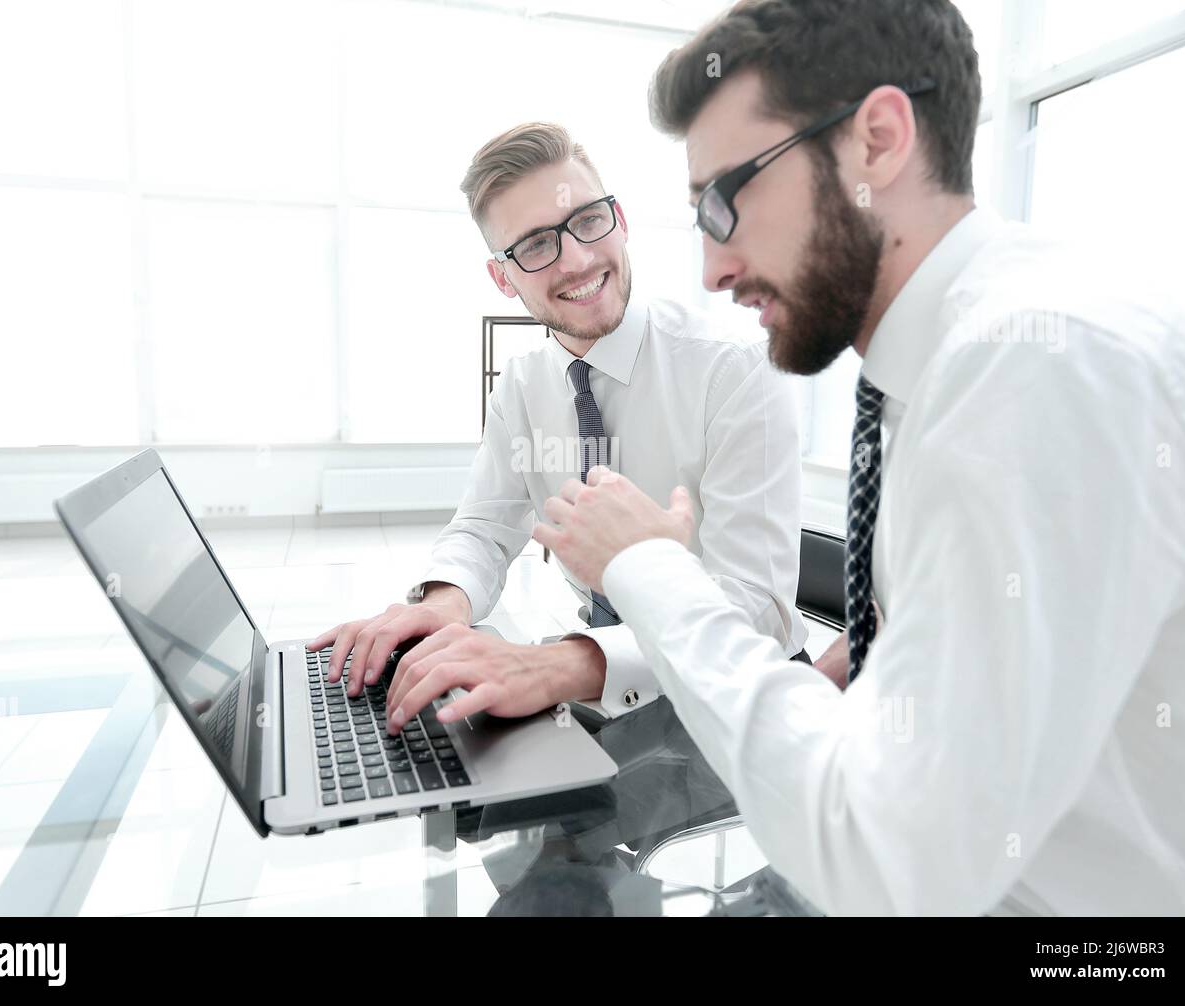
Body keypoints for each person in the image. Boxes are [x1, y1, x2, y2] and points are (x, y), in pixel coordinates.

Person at [535, 0, 1185, 915]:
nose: (711, 269)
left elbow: (884, 862)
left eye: (724, 201)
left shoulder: (1029, 370)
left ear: (878, 142)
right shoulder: (964, 356)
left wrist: (648, 565)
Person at [309, 122, 811, 733]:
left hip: (739, 703)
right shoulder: (522, 385)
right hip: (603, 689)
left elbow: (757, 608)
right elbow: (485, 527)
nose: (576, 259)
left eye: (588, 220)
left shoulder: (735, 371)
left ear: (620, 220)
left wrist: (558, 665)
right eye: (536, 245)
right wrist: (446, 603)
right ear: (503, 277)